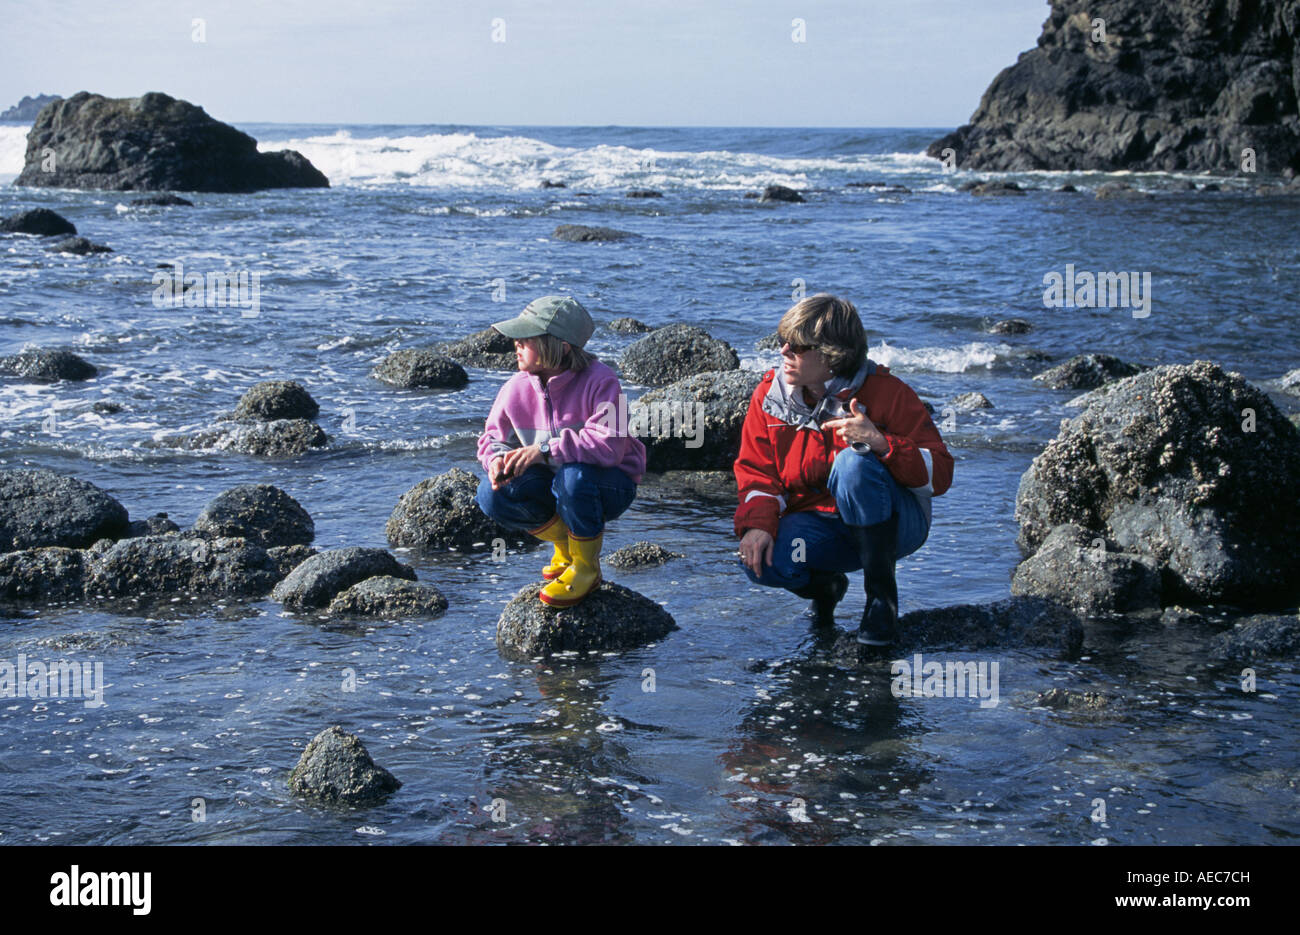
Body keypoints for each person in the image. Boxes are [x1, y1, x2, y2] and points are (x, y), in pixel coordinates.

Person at [733, 293, 953, 646]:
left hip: (897, 527)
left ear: (833, 354)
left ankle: (881, 601)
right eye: (781, 342)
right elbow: (758, 474)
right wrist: (758, 526)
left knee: (853, 464)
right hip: (824, 529)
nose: (784, 352)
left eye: (798, 347)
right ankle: (827, 589)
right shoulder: (768, 397)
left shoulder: (889, 393)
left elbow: (940, 475)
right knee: (761, 561)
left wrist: (883, 445)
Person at [475, 295, 645, 607]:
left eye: (527, 338)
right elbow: (491, 438)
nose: (517, 343)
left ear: (561, 346)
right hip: (553, 484)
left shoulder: (602, 381)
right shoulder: (515, 387)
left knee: (573, 477)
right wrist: (497, 461)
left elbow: (608, 448)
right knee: (490, 495)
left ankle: (586, 567)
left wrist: (543, 450)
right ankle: (567, 547)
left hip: (609, 484)